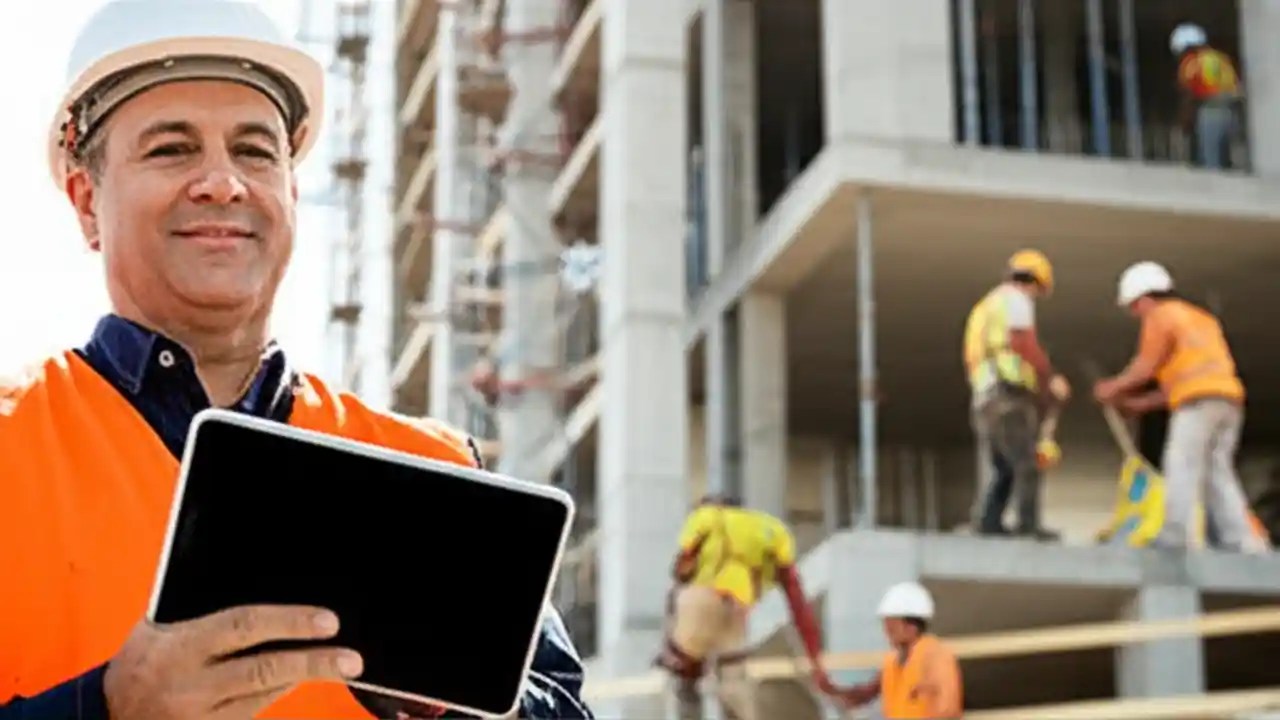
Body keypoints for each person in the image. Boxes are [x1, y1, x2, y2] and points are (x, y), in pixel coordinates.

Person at [0, 2, 592, 719]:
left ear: (291, 193)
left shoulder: (432, 474)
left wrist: (455, 706)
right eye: (171, 149)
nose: (223, 182)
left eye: (254, 152)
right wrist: (108, 709)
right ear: (87, 202)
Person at [1093, 261, 1263, 554]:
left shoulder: (1160, 316)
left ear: (1145, 297)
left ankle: (1175, 535)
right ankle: (1244, 541)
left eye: (1134, 306)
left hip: (1198, 403)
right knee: (1218, 471)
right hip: (1228, 401)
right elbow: (1181, 381)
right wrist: (1139, 405)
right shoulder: (1201, 319)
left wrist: (1112, 388)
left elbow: (1145, 366)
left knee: (1181, 463)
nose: (1135, 313)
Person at [654, 494, 854, 720]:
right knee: (733, 682)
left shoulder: (705, 517)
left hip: (702, 601)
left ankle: (687, 693)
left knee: (684, 674)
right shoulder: (770, 530)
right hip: (737, 612)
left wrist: (671, 647)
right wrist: (814, 659)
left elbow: (682, 569)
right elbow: (797, 601)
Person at [962, 250, 1071, 540]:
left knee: (1003, 467)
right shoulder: (1016, 299)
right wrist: (1050, 378)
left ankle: (989, 523)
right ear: (1034, 282)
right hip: (1007, 396)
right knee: (1028, 463)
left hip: (984, 397)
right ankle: (1028, 527)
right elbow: (1022, 341)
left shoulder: (986, 305)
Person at [840, 582, 963, 719]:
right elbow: (870, 690)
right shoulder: (893, 661)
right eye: (886, 624)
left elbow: (948, 711)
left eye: (892, 625)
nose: (886, 631)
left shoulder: (936, 656)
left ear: (912, 626)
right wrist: (840, 693)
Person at [1170, 22, 1245, 170]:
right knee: (1233, 164)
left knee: (1212, 164)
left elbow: (1188, 95)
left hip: (1211, 111)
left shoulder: (1191, 62)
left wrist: (1185, 122)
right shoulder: (1221, 58)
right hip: (1234, 112)